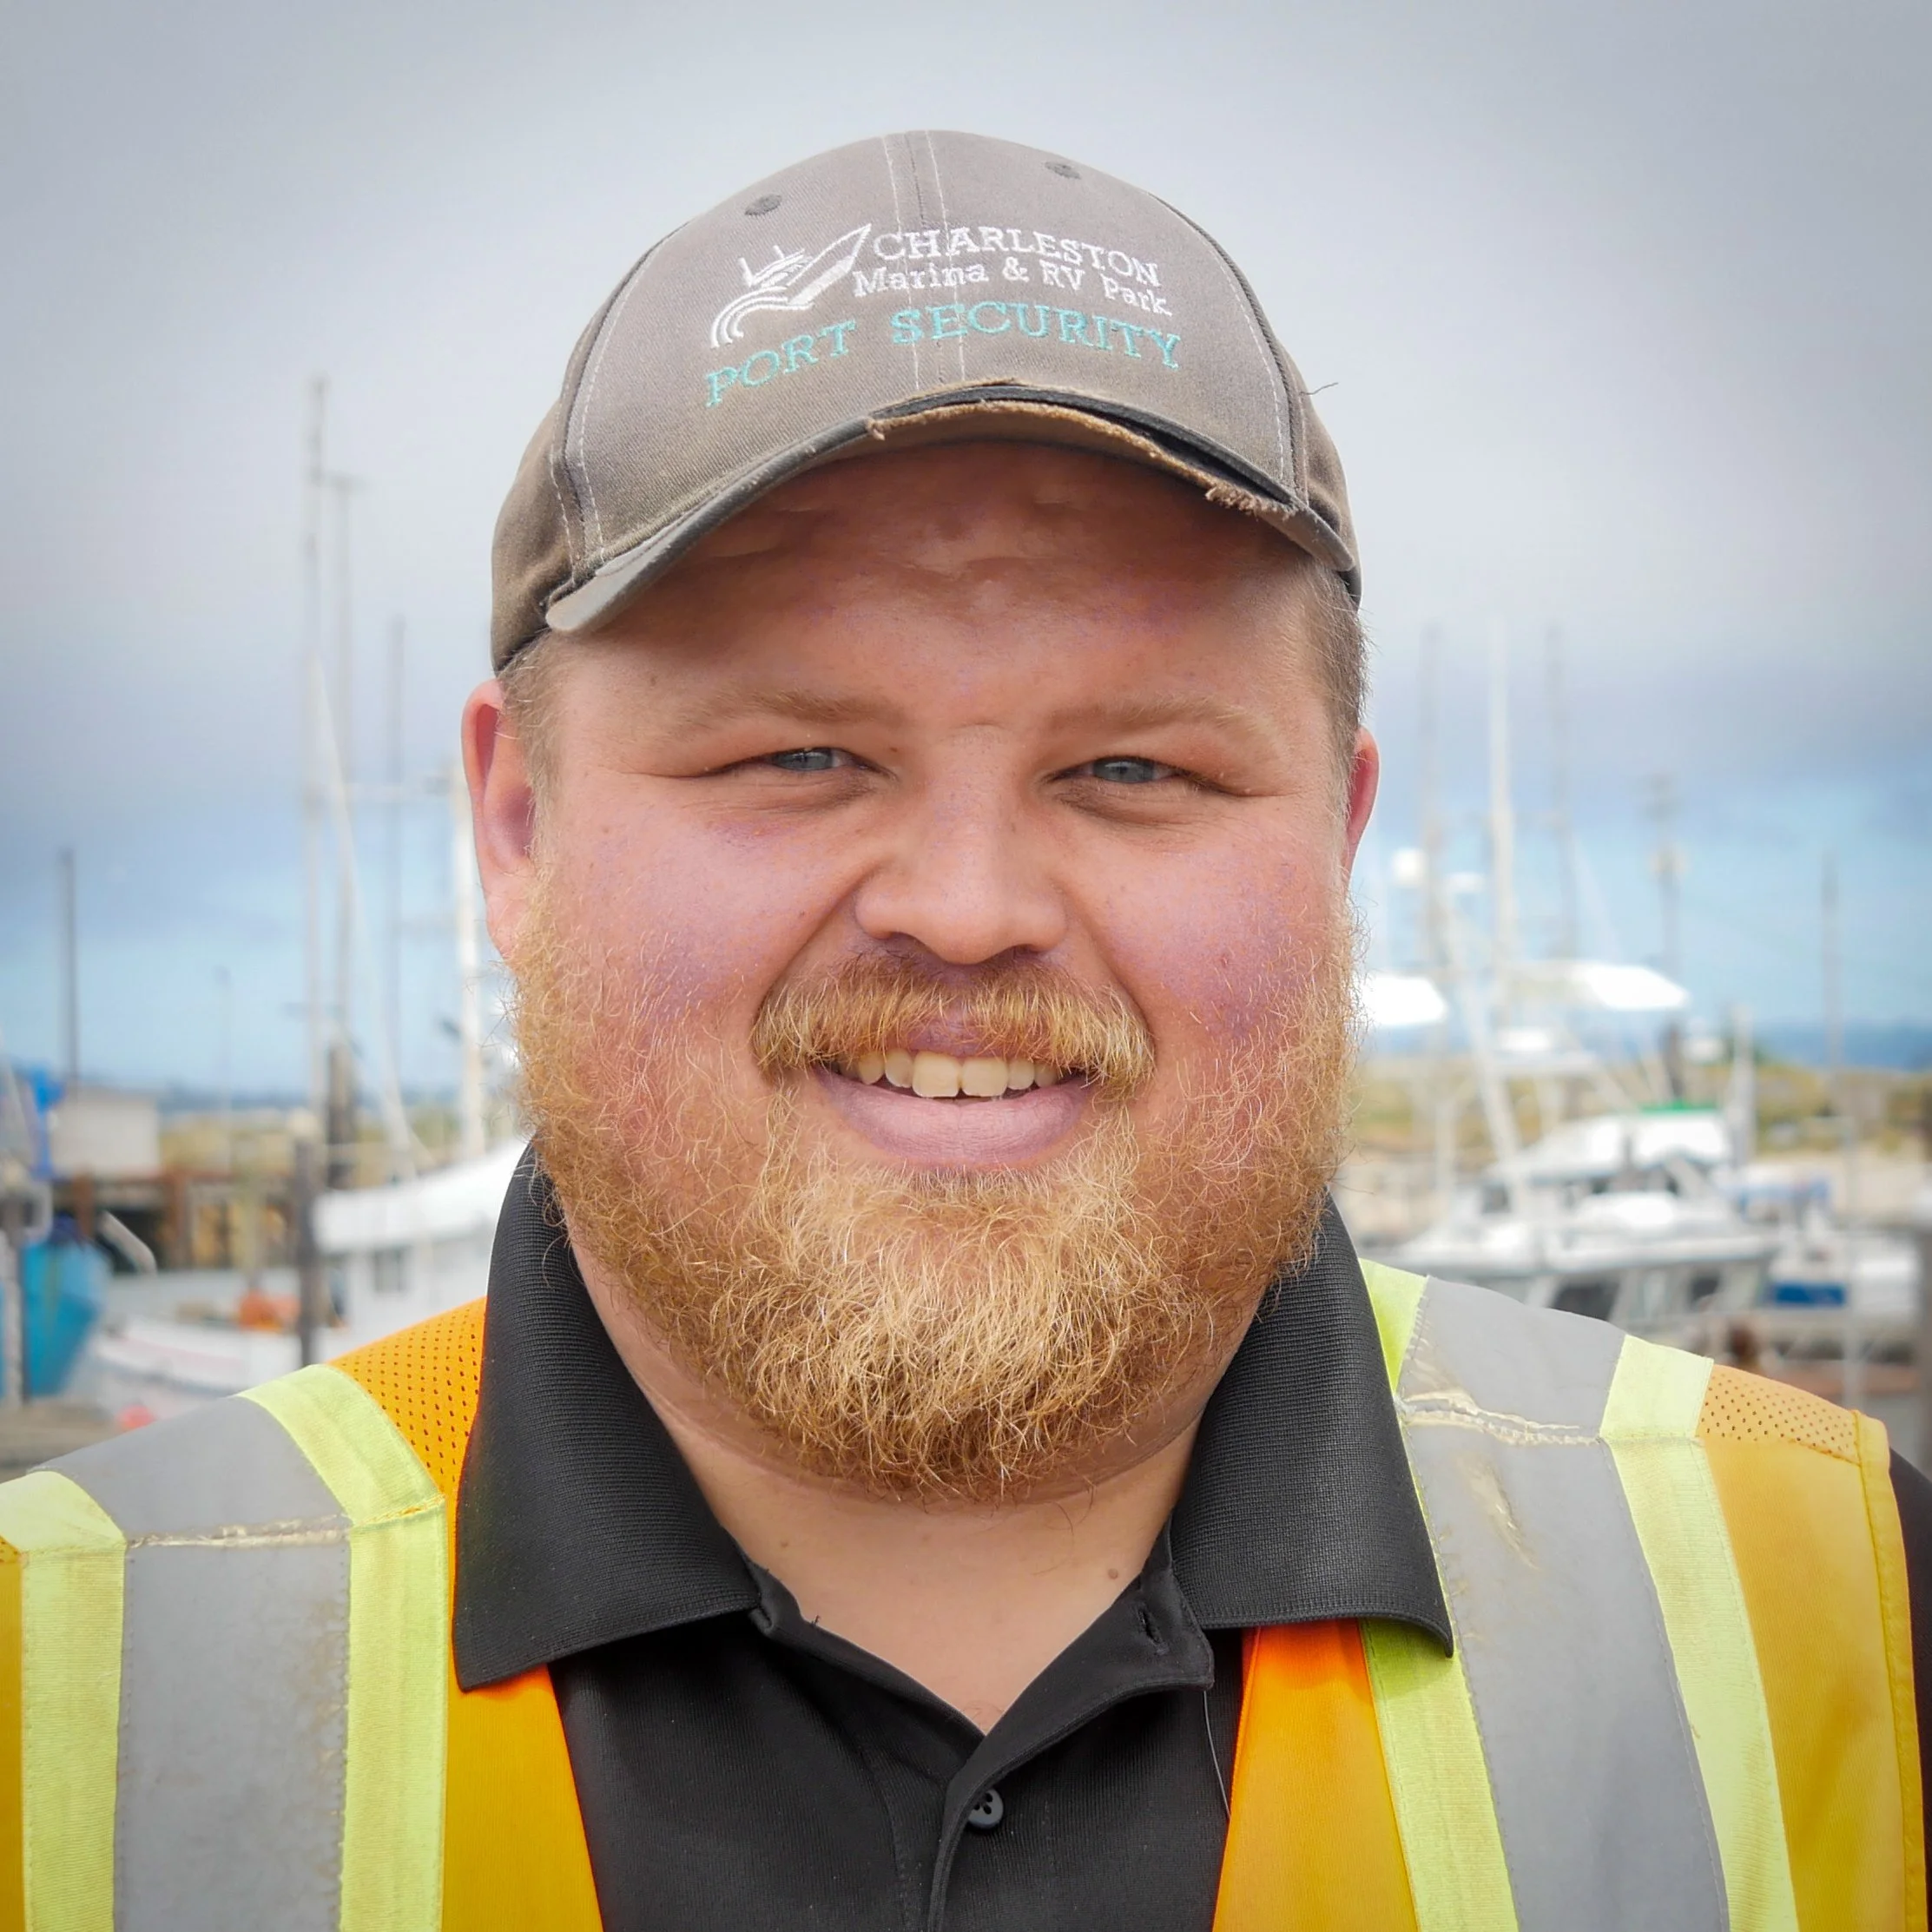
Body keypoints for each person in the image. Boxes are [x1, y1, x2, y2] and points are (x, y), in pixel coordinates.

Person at [3, 130, 1927, 1932]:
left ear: (1334, 843)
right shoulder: (56, 1671)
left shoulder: (1841, 1597)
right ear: (517, 830)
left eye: (1130, 763)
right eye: (801, 752)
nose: (965, 899)